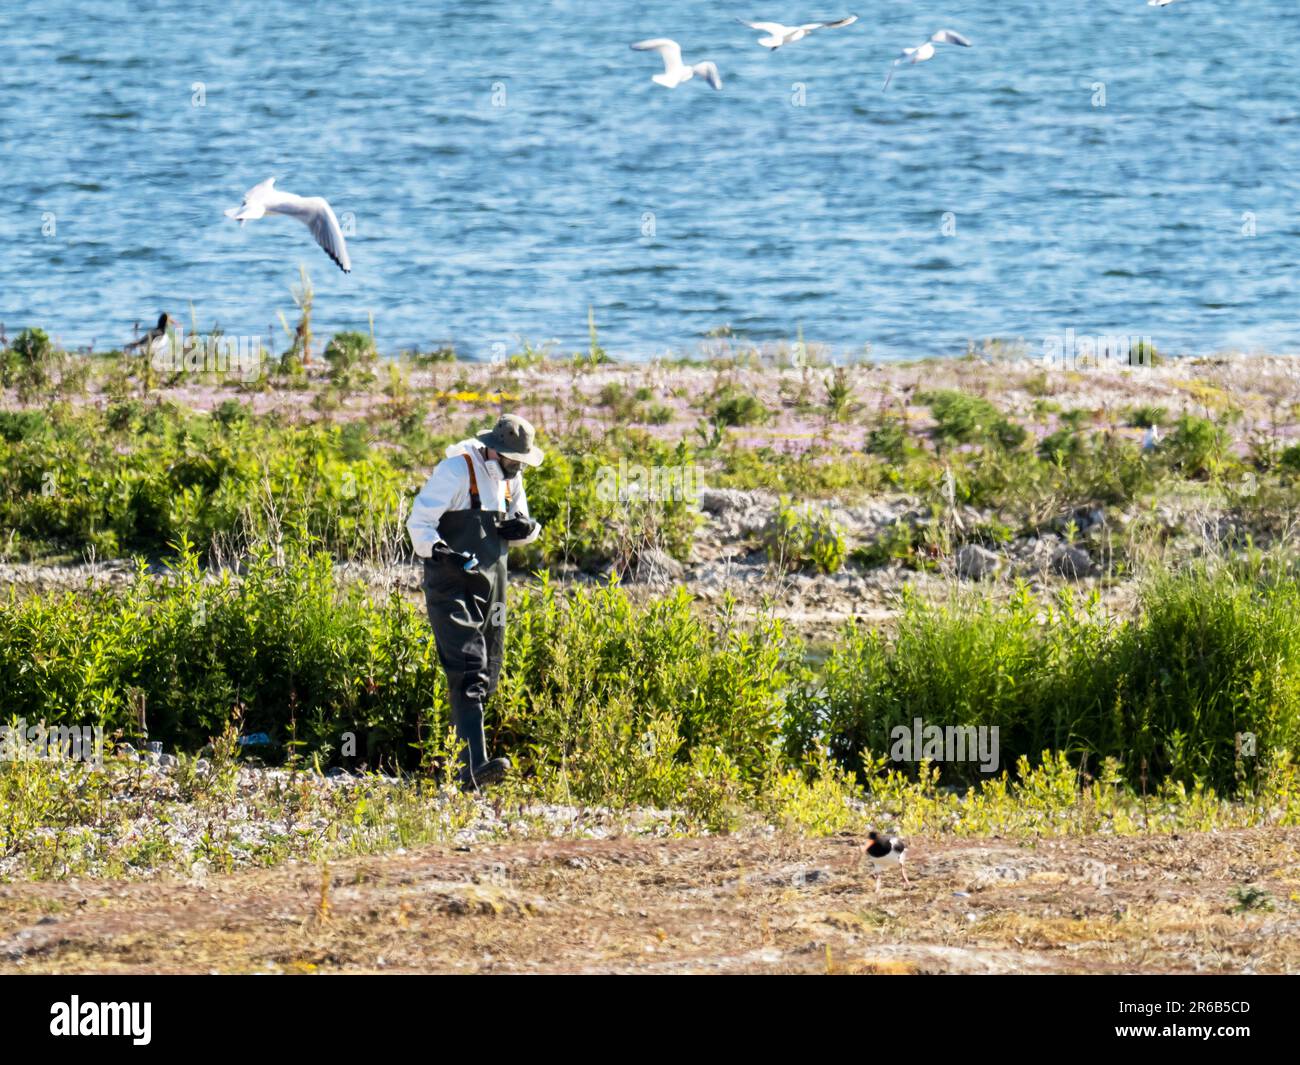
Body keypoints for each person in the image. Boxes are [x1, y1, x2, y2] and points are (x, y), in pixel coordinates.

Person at [407, 413, 543, 789]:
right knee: (467, 666)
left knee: (488, 672)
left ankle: (459, 764)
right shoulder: (454, 471)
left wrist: (528, 529)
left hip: (494, 586)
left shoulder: (511, 481)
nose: (516, 468)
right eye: (511, 460)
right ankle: (473, 769)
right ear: (492, 450)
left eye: (521, 462)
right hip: (452, 585)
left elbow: (524, 523)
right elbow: (418, 523)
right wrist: (441, 553)